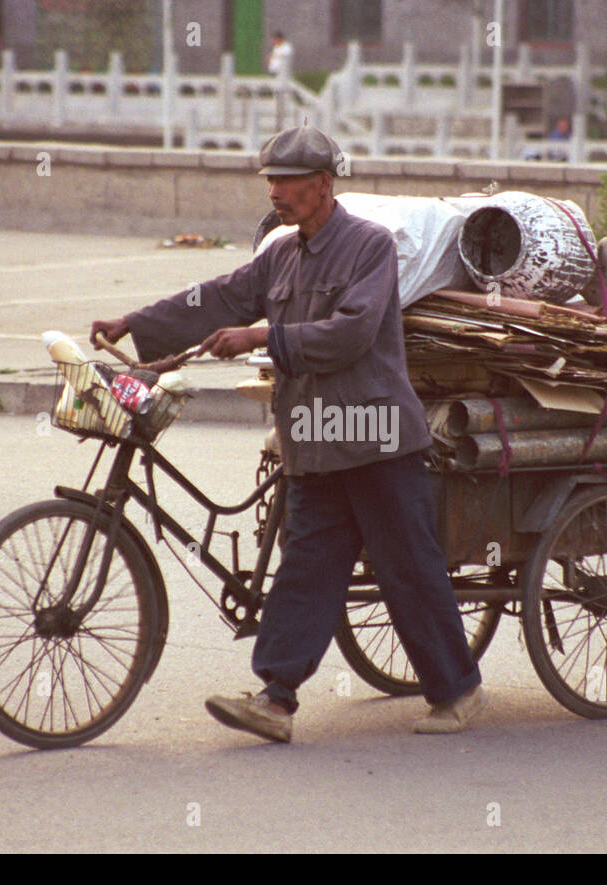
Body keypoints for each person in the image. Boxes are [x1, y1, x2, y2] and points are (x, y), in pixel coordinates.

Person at [89, 125, 486, 744]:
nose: (273, 191)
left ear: (323, 185)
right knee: (306, 569)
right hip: (316, 437)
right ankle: (275, 700)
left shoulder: (369, 247)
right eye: (269, 180)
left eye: (286, 181)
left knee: (406, 567)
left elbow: (350, 333)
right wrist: (135, 322)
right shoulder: (279, 252)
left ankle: (458, 691)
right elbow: (219, 297)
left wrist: (260, 338)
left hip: (376, 434)